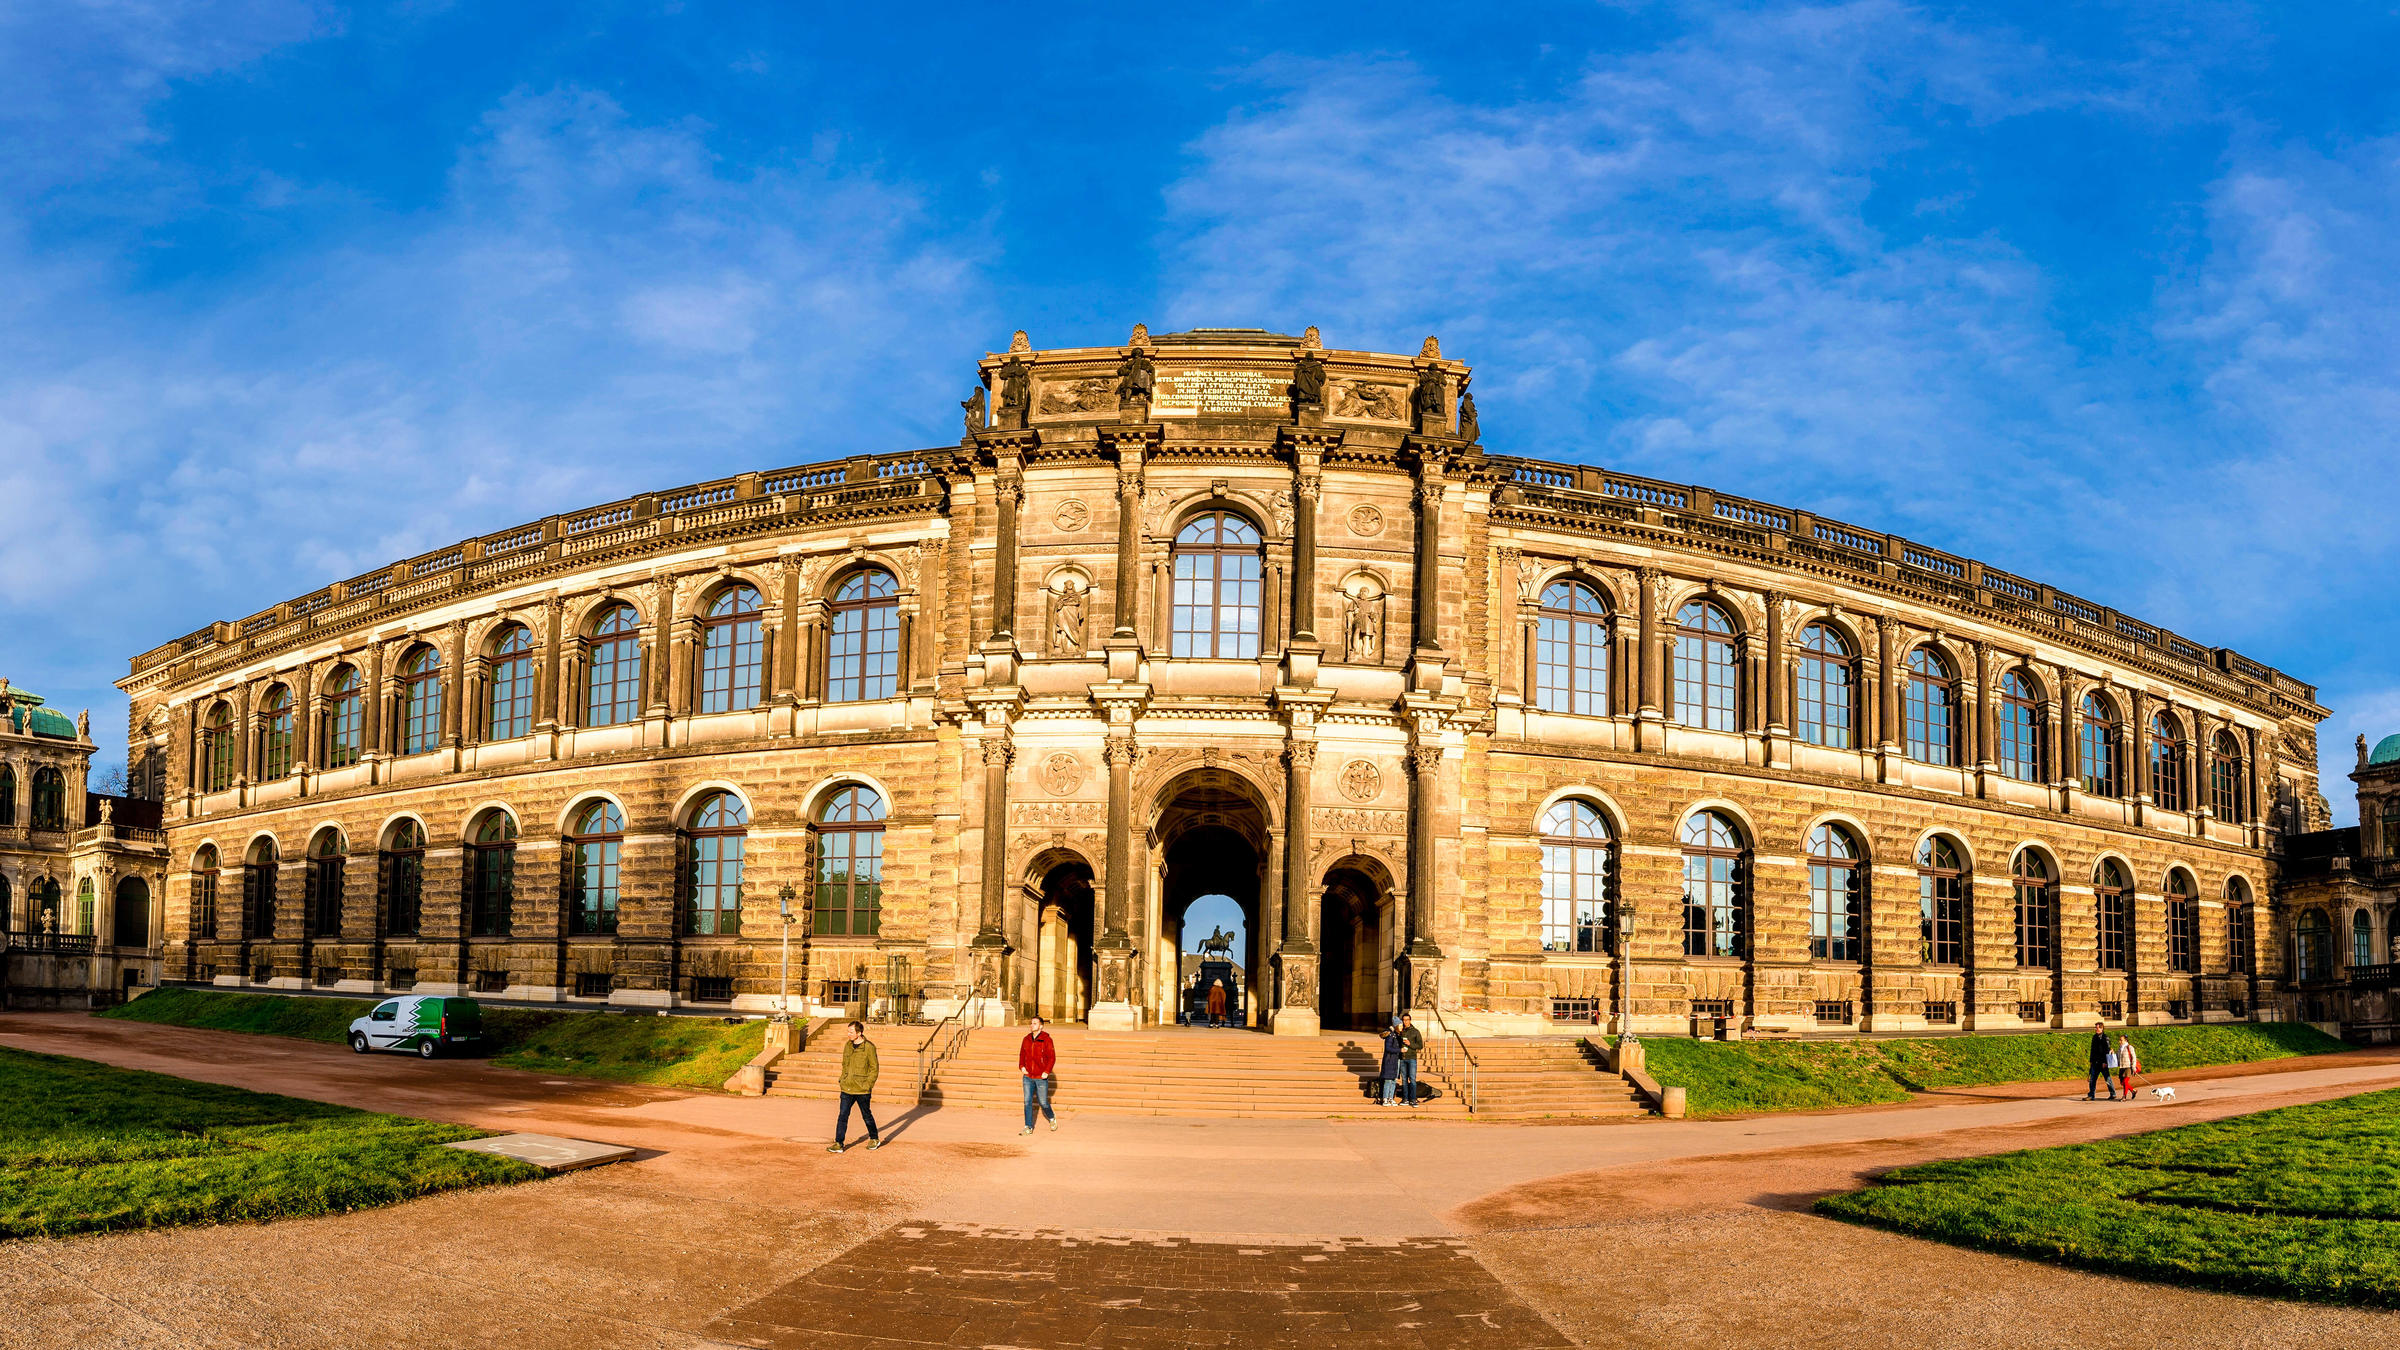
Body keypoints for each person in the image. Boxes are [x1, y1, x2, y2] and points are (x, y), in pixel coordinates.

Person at [828, 1021, 884, 1152]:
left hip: (862, 1089)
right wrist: (842, 1079)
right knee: (843, 1115)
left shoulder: (869, 1047)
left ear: (859, 1033)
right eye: (848, 1031)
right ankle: (839, 1143)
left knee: (866, 1115)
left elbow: (874, 1068)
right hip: (847, 1087)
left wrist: (868, 1084)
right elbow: (845, 1064)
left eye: (851, 1032)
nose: (848, 1034)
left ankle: (874, 1138)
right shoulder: (848, 1045)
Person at [1020, 1015, 1058, 1136]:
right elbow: (1022, 1055)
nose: (1032, 1025)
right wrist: (1022, 1067)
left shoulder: (1047, 1040)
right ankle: (1028, 1126)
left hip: (1041, 1077)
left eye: (1035, 1023)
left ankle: (1051, 1118)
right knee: (1027, 1102)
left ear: (1041, 1026)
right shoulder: (1026, 1039)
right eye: (1031, 1023)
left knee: (1043, 1102)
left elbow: (1052, 1058)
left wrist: (1046, 1071)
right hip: (1028, 1076)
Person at [1396, 1013, 1425, 1107]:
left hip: (1412, 1058)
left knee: (1412, 1079)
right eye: (1404, 1020)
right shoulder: (1400, 1031)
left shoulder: (1415, 1031)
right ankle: (1405, 1099)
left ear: (1410, 1020)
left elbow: (1420, 1046)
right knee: (1404, 1080)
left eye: (1407, 1020)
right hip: (1402, 1058)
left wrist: (1410, 1044)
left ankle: (1413, 1099)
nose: (1405, 1022)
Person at [2085, 1022, 2116, 1100]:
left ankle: (2113, 1093)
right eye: (2095, 1027)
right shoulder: (2094, 1037)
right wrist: (2091, 1060)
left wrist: (2105, 1062)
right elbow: (2092, 1050)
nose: (2096, 1029)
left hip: (2102, 1062)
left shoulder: (2105, 1038)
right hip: (2095, 1062)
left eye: (2097, 1027)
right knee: (2092, 1079)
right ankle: (2091, 1095)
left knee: (2107, 1079)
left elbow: (2107, 1050)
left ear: (2102, 1028)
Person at [1377, 1022, 1404, 1106]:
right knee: (1388, 1080)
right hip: (1389, 1060)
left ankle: (1391, 1098)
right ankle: (1385, 1098)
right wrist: (1400, 1050)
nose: (1402, 1027)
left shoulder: (1398, 1035)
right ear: (1396, 1026)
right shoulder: (1390, 1035)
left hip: (1396, 1060)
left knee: (1394, 1080)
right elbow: (1388, 1048)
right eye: (1400, 1025)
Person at [2118, 1033, 2141, 1101]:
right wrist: (2112, 1053)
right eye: (2119, 1040)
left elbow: (2134, 1057)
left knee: (2125, 1082)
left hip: (2128, 1066)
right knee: (2122, 1082)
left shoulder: (2130, 1047)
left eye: (2121, 1040)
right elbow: (2117, 1057)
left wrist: (2133, 1067)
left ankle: (2124, 1096)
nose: (2120, 1041)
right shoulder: (2120, 1048)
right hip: (2122, 1067)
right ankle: (2133, 1091)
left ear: (2126, 1040)